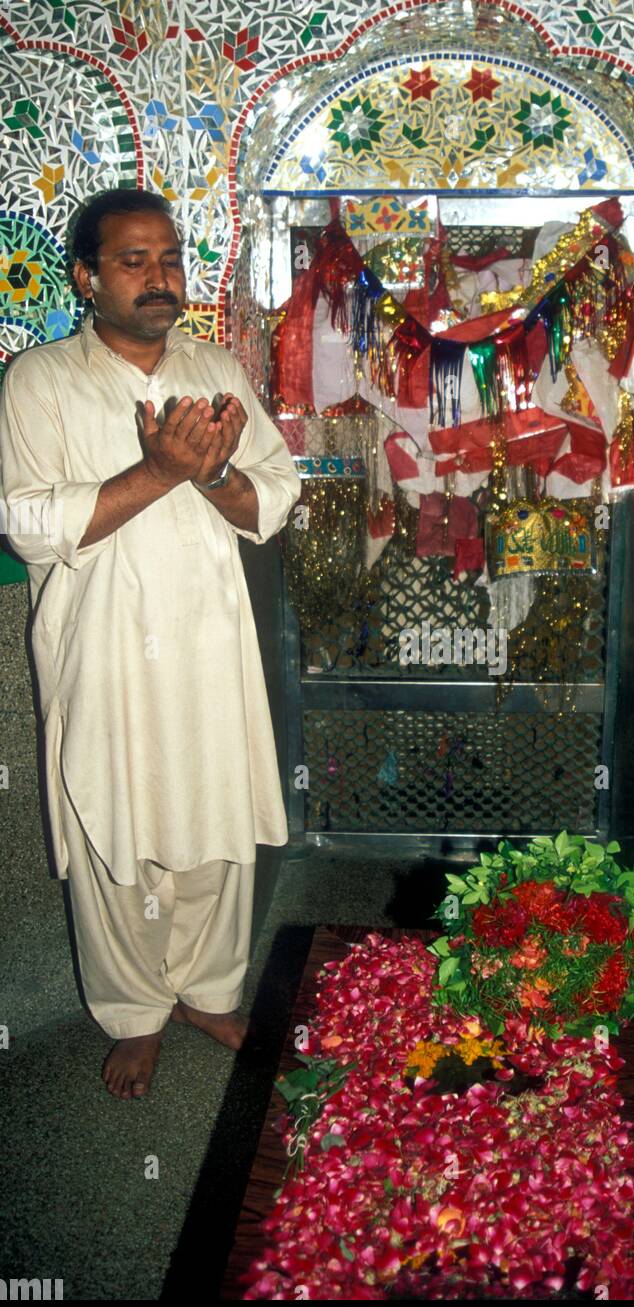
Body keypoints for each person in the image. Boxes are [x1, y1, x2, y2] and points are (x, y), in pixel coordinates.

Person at [0, 188, 301, 1099]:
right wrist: (160, 470)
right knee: (110, 821)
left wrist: (207, 478)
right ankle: (133, 1010)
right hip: (103, 649)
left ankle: (209, 991)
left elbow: (275, 493)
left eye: (169, 258)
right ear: (87, 276)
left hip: (210, 635)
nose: (158, 276)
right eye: (132, 261)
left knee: (215, 815)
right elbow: (25, 519)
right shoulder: (38, 379)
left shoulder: (215, 365)